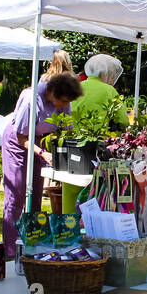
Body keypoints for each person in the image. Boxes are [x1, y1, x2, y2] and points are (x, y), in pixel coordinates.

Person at [1, 72, 83, 254]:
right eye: (61, 101)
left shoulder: (63, 102)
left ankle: (32, 245)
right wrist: (43, 153)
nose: (63, 105)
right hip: (17, 142)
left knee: (36, 195)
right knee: (17, 195)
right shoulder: (31, 100)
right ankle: (10, 249)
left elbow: (67, 130)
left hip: (38, 142)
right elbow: (21, 136)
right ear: (52, 93)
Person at [62, 54, 124, 212]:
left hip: (71, 149)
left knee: (69, 196)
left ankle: (67, 231)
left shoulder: (76, 87)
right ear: (108, 73)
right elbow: (123, 121)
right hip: (97, 153)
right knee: (95, 200)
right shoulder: (109, 91)